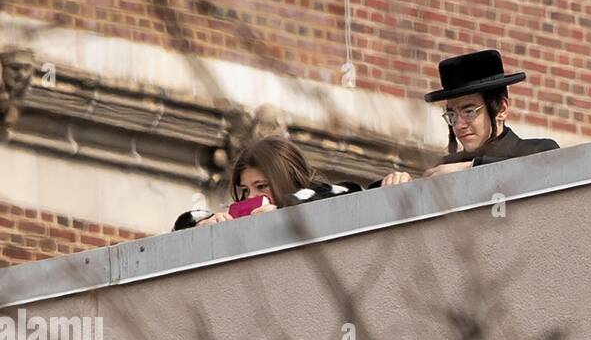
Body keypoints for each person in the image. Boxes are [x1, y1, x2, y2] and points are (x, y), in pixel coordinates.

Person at [380, 49, 558, 186]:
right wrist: (402, 185)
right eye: (451, 115)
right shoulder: (445, 166)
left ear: (501, 109)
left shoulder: (539, 150)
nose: (458, 125)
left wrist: (470, 168)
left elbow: (544, 169)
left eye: (469, 111)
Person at [173, 137, 362, 230]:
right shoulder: (239, 223)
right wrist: (204, 226)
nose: (252, 197)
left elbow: (351, 194)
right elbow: (185, 222)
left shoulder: (322, 198)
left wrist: (284, 210)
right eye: (245, 190)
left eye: (262, 186)